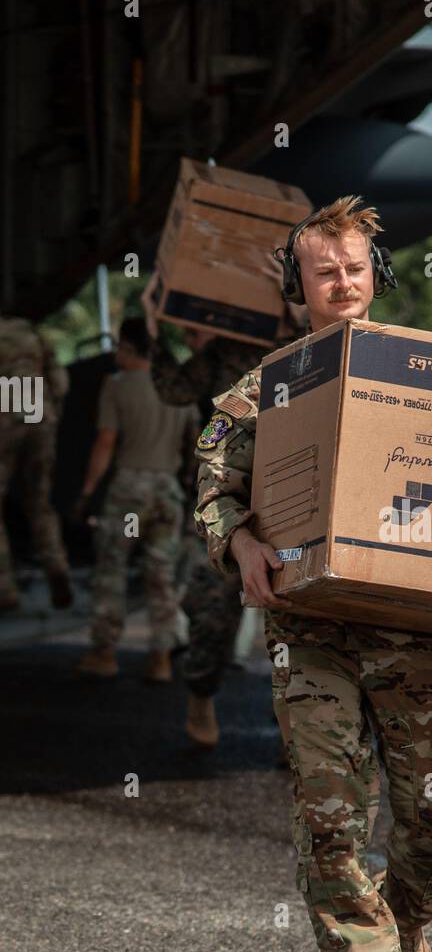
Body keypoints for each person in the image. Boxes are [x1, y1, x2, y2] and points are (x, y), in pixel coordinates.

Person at [193, 196, 432, 952]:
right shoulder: (260, 393)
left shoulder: (429, 375)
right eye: (325, 271)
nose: (344, 282)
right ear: (300, 286)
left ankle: (406, 921)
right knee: (330, 813)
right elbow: (212, 495)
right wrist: (238, 541)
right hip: (311, 630)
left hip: (412, 629)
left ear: (376, 276)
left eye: (355, 268)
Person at [140, 270, 308, 747]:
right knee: (213, 609)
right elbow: (172, 388)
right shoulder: (224, 353)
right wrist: (157, 331)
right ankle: (200, 694)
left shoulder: (313, 346)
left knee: (301, 620)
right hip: (230, 498)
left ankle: (301, 735)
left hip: (299, 500)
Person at [76, 317, 199, 681]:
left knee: (111, 569)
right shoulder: (177, 388)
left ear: (130, 348)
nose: (115, 354)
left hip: (130, 489)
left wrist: (86, 490)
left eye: (118, 346)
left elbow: (105, 442)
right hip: (168, 491)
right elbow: (194, 443)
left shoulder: (117, 386)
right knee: (160, 575)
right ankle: (160, 658)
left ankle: (104, 653)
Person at [0, 315, 72, 612]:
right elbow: (60, 381)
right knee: (40, 503)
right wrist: (51, 409)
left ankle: (5, 590)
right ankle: (56, 565)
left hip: (5, 414)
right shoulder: (30, 331)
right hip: (40, 413)